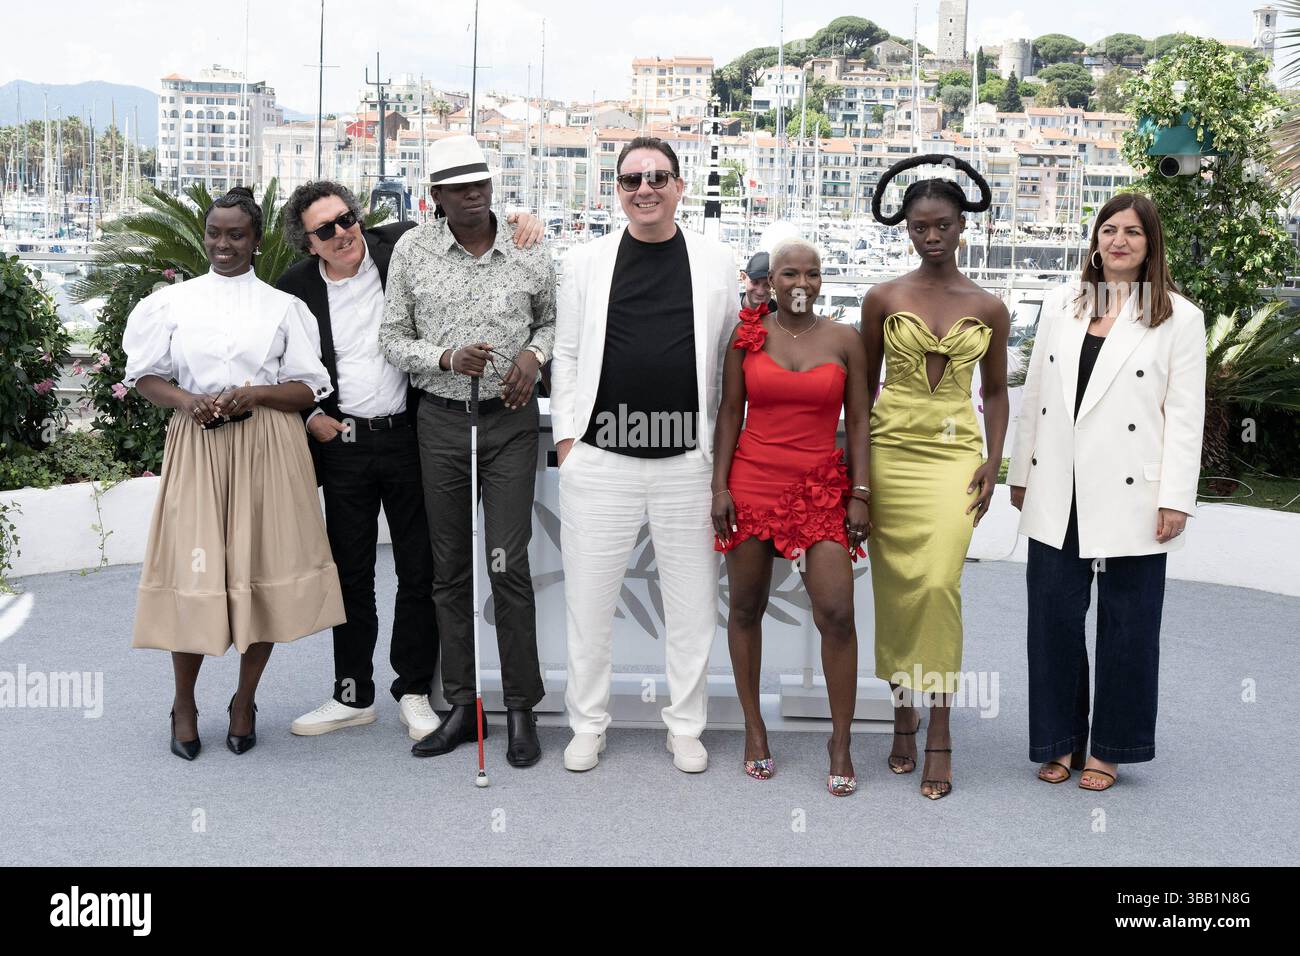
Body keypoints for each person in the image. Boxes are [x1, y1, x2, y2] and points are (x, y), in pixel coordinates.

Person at [276, 182, 543, 744]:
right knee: (350, 574)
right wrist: (310, 418)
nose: (342, 232)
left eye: (346, 218)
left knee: (421, 571)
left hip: (409, 435)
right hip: (343, 444)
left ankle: (415, 690)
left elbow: (470, 219)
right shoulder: (294, 290)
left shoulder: (398, 246)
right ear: (308, 244)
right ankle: (352, 693)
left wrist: (522, 217)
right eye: (325, 229)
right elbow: (277, 363)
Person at [123, 186, 344, 760]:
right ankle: (184, 704)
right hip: (197, 447)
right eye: (215, 233)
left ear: (257, 239)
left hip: (269, 446)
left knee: (261, 572)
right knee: (192, 576)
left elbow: (306, 389)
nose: (223, 245)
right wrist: (184, 399)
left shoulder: (282, 307)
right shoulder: (171, 304)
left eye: (236, 234)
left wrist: (256, 394)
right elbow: (145, 376)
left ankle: (244, 700)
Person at [1008, 192, 1206, 792]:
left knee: (1128, 624)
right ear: (1094, 239)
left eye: (1132, 233)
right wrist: (1021, 473)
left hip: (1132, 493)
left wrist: (1176, 496)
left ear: (1151, 245)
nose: (1118, 241)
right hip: (1057, 485)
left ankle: (1110, 747)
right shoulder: (1062, 305)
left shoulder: (1178, 316)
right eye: (1108, 229)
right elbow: (1035, 394)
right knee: (1054, 619)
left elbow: (1185, 414)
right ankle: (1060, 741)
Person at [551, 136, 735, 774]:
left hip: (689, 462)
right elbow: (567, 354)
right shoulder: (583, 262)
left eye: (658, 177)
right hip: (599, 461)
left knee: (692, 606)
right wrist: (567, 442)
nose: (645, 189)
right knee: (589, 604)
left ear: (680, 186)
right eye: (632, 180)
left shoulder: (716, 262)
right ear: (618, 191)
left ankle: (686, 727)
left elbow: (728, 359)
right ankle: (587, 724)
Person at [379, 135, 554, 769]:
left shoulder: (528, 246)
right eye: (459, 186)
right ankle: (461, 704)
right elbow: (393, 339)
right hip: (443, 423)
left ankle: (522, 708)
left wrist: (535, 356)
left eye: (480, 182)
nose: (474, 194)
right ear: (437, 197)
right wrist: (446, 357)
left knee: (507, 566)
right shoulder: (412, 250)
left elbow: (555, 320)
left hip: (508, 422)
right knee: (447, 571)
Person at [860, 155, 1010, 800]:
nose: (931, 237)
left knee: (939, 583)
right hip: (891, 453)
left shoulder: (990, 305)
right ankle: (902, 714)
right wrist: (859, 480)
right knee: (898, 588)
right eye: (920, 228)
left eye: (942, 226)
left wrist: (994, 461)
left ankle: (940, 729)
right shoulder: (883, 297)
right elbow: (860, 389)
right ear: (908, 230)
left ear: (961, 227)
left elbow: (998, 392)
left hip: (955, 460)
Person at [712, 237, 871, 795]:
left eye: (811, 274)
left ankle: (841, 740)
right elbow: (731, 411)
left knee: (837, 614)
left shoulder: (845, 339)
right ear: (769, 280)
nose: (800, 284)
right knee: (746, 608)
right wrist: (719, 488)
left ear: (821, 280)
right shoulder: (747, 335)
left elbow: (857, 425)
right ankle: (755, 729)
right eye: (788, 275)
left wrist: (860, 492)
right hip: (752, 481)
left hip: (821, 486)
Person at [740, 250, 777, 315]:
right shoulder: (730, 306)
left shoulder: (780, 314)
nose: (760, 292)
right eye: (755, 282)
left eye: (767, 284)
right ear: (743, 278)